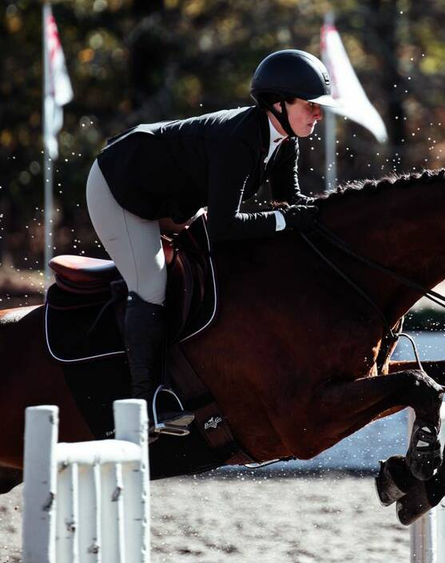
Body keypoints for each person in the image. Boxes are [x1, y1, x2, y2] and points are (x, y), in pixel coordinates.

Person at [86, 49, 339, 435]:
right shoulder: (239, 139)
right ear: (277, 103)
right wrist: (285, 219)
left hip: (171, 199)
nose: (318, 114)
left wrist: (330, 219)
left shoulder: (286, 142)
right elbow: (227, 226)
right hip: (121, 186)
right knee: (152, 282)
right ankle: (147, 403)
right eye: (310, 105)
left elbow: (291, 202)